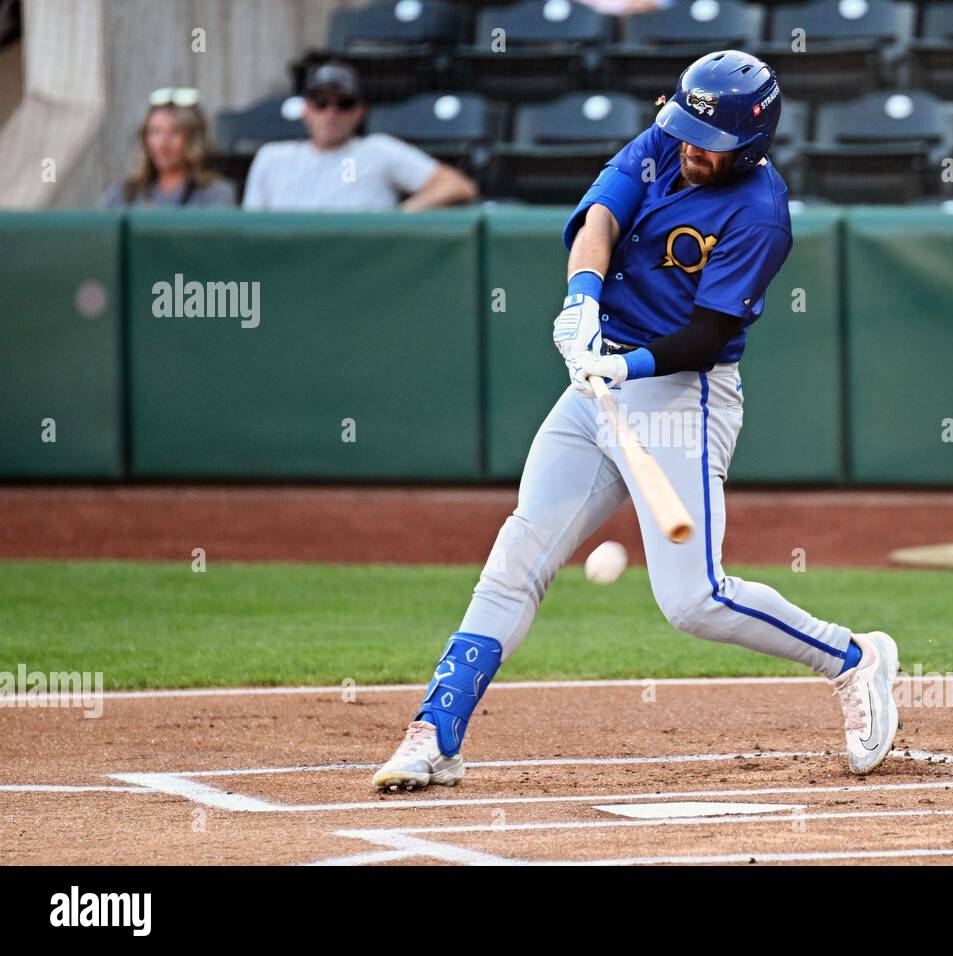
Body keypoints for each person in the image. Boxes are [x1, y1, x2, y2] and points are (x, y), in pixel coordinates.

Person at [372, 50, 899, 792]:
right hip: (597, 383)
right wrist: (581, 299)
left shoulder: (759, 214)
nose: (689, 149)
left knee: (694, 600)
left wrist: (626, 367)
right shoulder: (664, 141)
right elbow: (601, 218)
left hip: (685, 394)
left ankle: (854, 659)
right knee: (518, 554)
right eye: (683, 130)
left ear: (751, 147)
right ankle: (436, 734)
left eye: (707, 143)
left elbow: (706, 337)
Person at [242, 61, 477, 211]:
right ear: (305, 109)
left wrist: (399, 217)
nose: (331, 113)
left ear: (359, 112)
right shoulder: (272, 157)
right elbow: (249, 232)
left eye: (344, 104)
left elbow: (457, 186)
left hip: (362, 268)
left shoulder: (378, 150)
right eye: (321, 103)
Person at [99, 88, 236, 208]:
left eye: (175, 132)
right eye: (155, 131)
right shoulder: (124, 194)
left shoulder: (214, 194)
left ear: (192, 138)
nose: (163, 142)